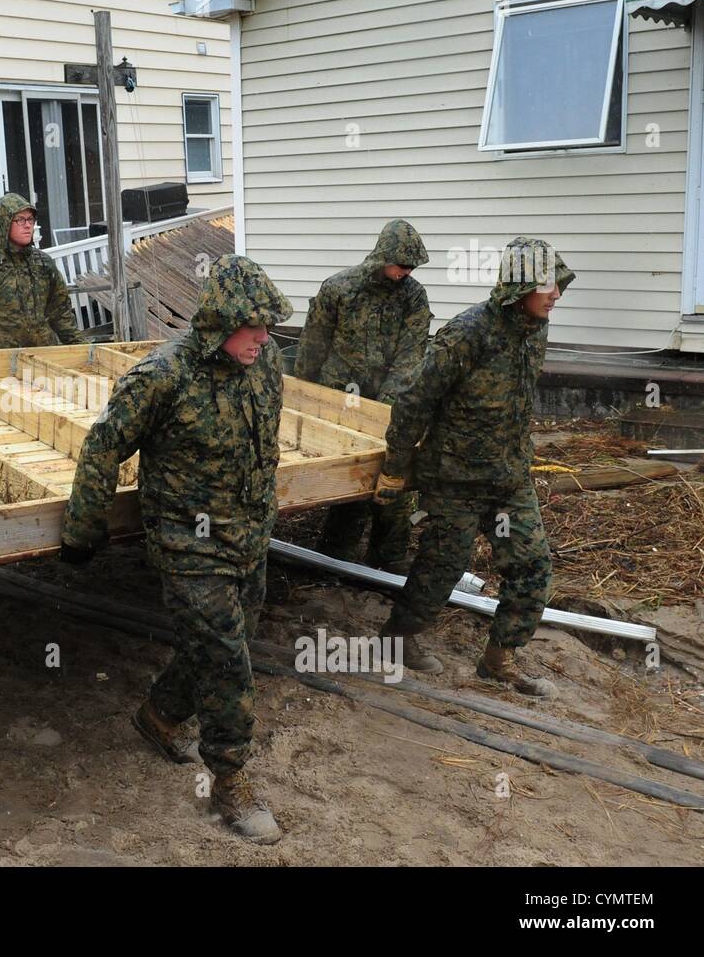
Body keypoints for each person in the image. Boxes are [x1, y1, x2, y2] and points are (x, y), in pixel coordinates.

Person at [60, 255, 293, 844]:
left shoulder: (267, 364)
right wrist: (84, 528)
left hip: (249, 536)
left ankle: (159, 716)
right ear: (219, 324)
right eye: (254, 326)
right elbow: (104, 445)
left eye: (269, 326)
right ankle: (231, 782)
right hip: (188, 543)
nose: (265, 338)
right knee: (227, 662)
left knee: (225, 642)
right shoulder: (162, 375)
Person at [376, 237, 575, 699]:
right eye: (547, 284)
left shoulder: (535, 330)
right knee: (443, 564)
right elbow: (414, 400)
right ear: (519, 285)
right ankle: (399, 638)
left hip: (508, 477)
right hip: (455, 477)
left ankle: (499, 657)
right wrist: (395, 466)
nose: (557, 294)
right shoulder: (467, 334)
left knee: (533, 565)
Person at [294, 219, 431, 572]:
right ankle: (334, 558)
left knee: (394, 482)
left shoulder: (413, 297)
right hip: (342, 398)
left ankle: (387, 562)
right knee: (351, 479)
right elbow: (314, 342)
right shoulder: (339, 289)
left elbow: (410, 356)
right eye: (401, 265)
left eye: (411, 267)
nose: (406, 272)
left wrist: (385, 409)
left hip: (391, 404)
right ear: (384, 256)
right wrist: (304, 391)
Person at [0, 192, 84, 350]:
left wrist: (83, 350)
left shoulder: (44, 263)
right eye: (20, 220)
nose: (28, 225)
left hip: (44, 356)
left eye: (30, 219)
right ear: (5, 223)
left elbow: (60, 313)